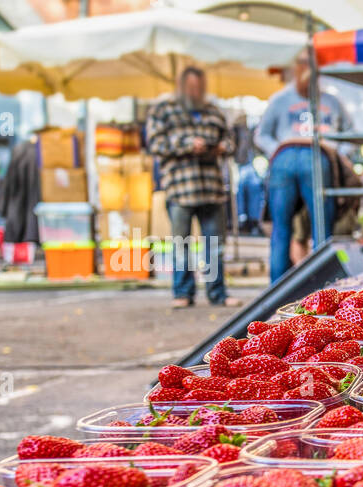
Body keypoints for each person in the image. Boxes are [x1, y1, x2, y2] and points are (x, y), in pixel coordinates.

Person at [255, 51, 352, 284]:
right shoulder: (285, 99)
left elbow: (261, 136)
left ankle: (277, 292)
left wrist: (277, 149)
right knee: (321, 231)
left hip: (301, 156)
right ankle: (323, 289)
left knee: (283, 230)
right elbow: (261, 135)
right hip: (303, 155)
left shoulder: (329, 100)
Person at [146, 67, 239, 308]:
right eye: (190, 86)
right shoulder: (164, 110)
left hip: (212, 187)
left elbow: (231, 141)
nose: (194, 91)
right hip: (180, 188)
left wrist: (220, 147)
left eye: (198, 86)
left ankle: (217, 293)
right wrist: (188, 144)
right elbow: (155, 143)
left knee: (215, 246)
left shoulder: (213, 111)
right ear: (181, 85)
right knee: (181, 245)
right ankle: (183, 293)